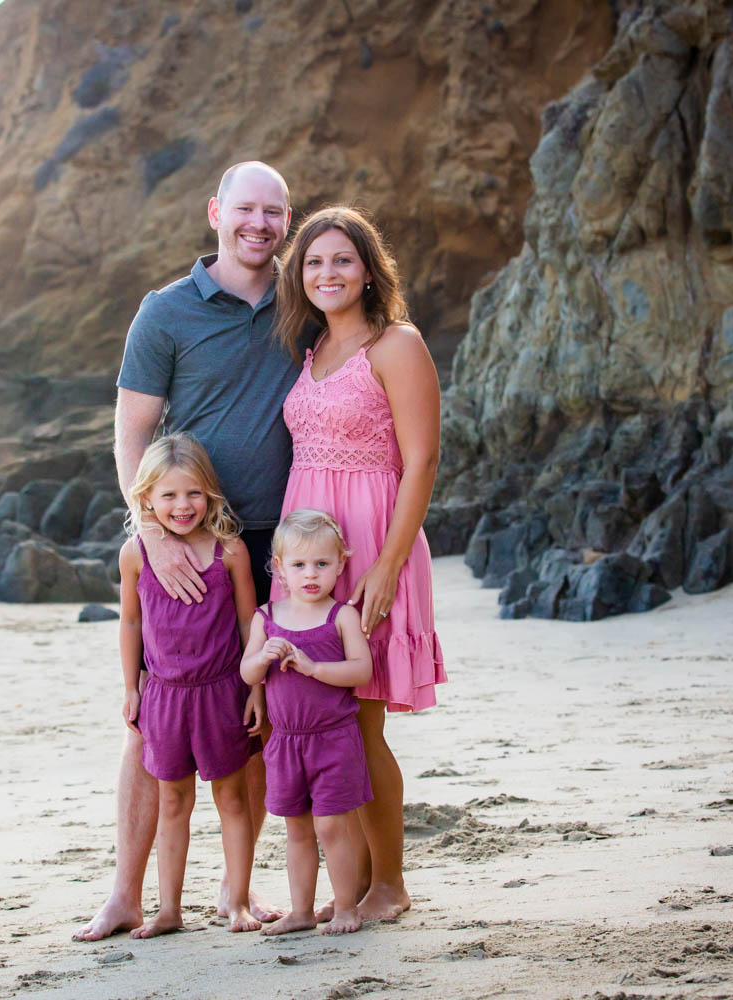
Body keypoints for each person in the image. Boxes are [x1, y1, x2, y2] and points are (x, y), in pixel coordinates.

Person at [75, 161, 299, 941]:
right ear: (216, 212)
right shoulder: (164, 311)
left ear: (287, 219)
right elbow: (132, 430)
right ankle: (126, 895)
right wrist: (151, 532)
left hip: (274, 540)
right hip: (180, 543)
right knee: (152, 720)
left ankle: (237, 888)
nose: (259, 224)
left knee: (262, 711)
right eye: (246, 209)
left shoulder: (301, 301)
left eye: (274, 211)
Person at [271, 205, 446, 922]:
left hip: (375, 543)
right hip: (312, 550)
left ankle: (391, 886)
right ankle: (361, 883)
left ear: (369, 270)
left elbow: (423, 460)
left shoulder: (396, 345)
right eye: (313, 263)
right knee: (332, 716)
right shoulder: (311, 350)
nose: (327, 273)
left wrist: (385, 565)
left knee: (364, 723)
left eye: (341, 260)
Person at [117, 434, 265, 936]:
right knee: (173, 802)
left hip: (222, 694)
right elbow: (131, 624)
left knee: (233, 800)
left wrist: (256, 690)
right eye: (170, 495)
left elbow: (251, 626)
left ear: (211, 495)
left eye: (194, 494)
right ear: (147, 499)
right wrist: (132, 686)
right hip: (163, 697)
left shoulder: (231, 552)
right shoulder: (136, 555)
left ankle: (238, 901)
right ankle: (168, 910)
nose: (183, 506)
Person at [241, 510, 373, 936]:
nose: (310, 574)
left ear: (340, 564)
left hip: (334, 739)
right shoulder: (266, 617)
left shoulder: (342, 616)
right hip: (285, 742)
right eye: (298, 565)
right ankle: (300, 911)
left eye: (322, 564)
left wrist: (314, 668)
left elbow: (360, 672)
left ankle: (347, 907)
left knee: (332, 825)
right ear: (279, 568)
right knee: (296, 829)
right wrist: (261, 659)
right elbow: (247, 673)